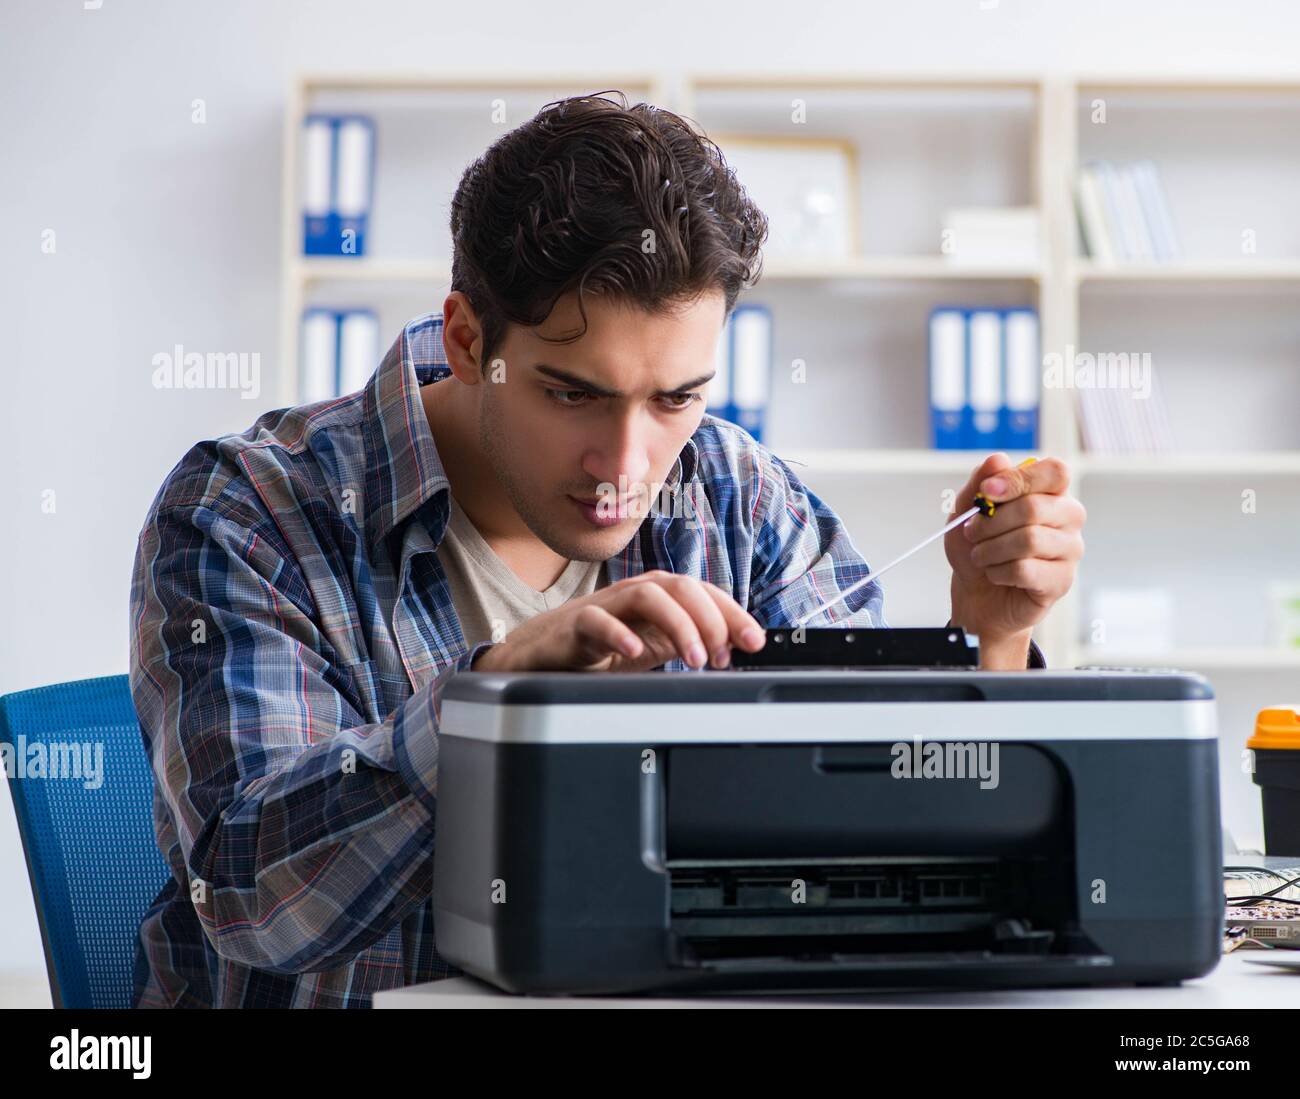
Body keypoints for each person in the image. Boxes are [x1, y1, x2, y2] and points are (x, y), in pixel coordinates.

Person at [128, 91, 1085, 1007]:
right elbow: (251, 900)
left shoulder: (732, 493)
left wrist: (987, 642)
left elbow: (887, 838)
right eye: (573, 393)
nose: (626, 466)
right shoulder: (249, 512)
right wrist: (498, 693)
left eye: (675, 397)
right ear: (468, 339)